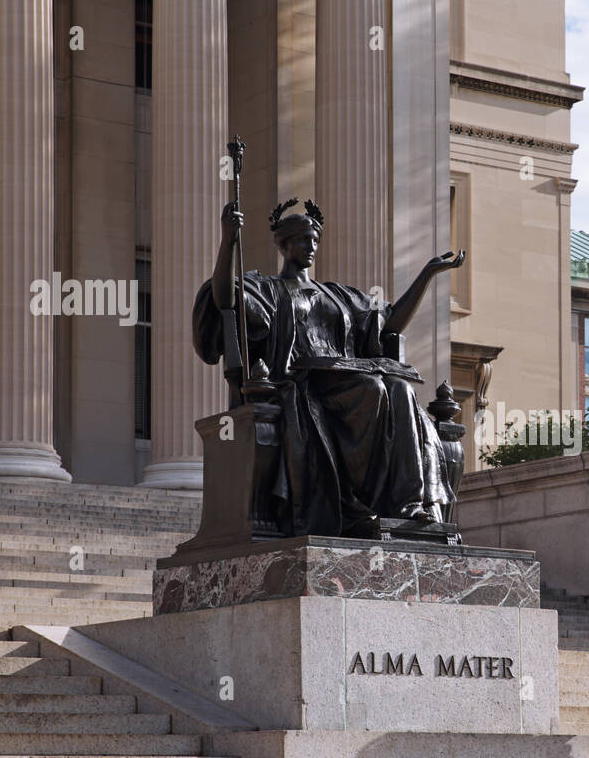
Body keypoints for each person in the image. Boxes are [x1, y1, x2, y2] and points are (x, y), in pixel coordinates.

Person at [192, 196, 465, 538]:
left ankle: (407, 504)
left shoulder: (337, 295)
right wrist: (228, 241)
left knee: (399, 388)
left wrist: (428, 273)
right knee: (375, 389)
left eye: (315, 240)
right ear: (283, 243)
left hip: (348, 377)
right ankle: (357, 505)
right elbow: (223, 299)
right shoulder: (266, 289)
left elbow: (391, 324)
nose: (311, 246)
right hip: (302, 382)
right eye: (304, 239)